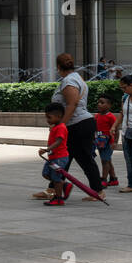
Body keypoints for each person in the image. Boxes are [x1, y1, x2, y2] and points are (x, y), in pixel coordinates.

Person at [52, 53, 102, 199]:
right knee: (64, 157)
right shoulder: (76, 77)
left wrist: (61, 125)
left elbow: (72, 104)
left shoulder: (69, 81)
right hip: (80, 124)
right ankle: (55, 188)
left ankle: (98, 191)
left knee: (83, 159)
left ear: (58, 67)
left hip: (77, 125)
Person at [37, 103, 71, 206]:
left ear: (59, 116)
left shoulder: (61, 127)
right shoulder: (55, 126)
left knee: (56, 179)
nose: (47, 120)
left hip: (59, 158)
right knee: (46, 173)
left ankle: (58, 199)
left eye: (49, 117)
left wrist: (47, 150)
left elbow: (59, 141)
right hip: (54, 157)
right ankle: (64, 185)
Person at [94, 96, 119, 187]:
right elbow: (95, 129)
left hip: (108, 143)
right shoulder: (97, 116)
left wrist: (114, 142)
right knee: (107, 160)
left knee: (105, 161)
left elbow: (116, 130)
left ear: (109, 105)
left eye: (102, 102)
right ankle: (113, 179)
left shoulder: (111, 117)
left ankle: (103, 179)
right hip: (100, 143)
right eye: (99, 102)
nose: (99, 104)